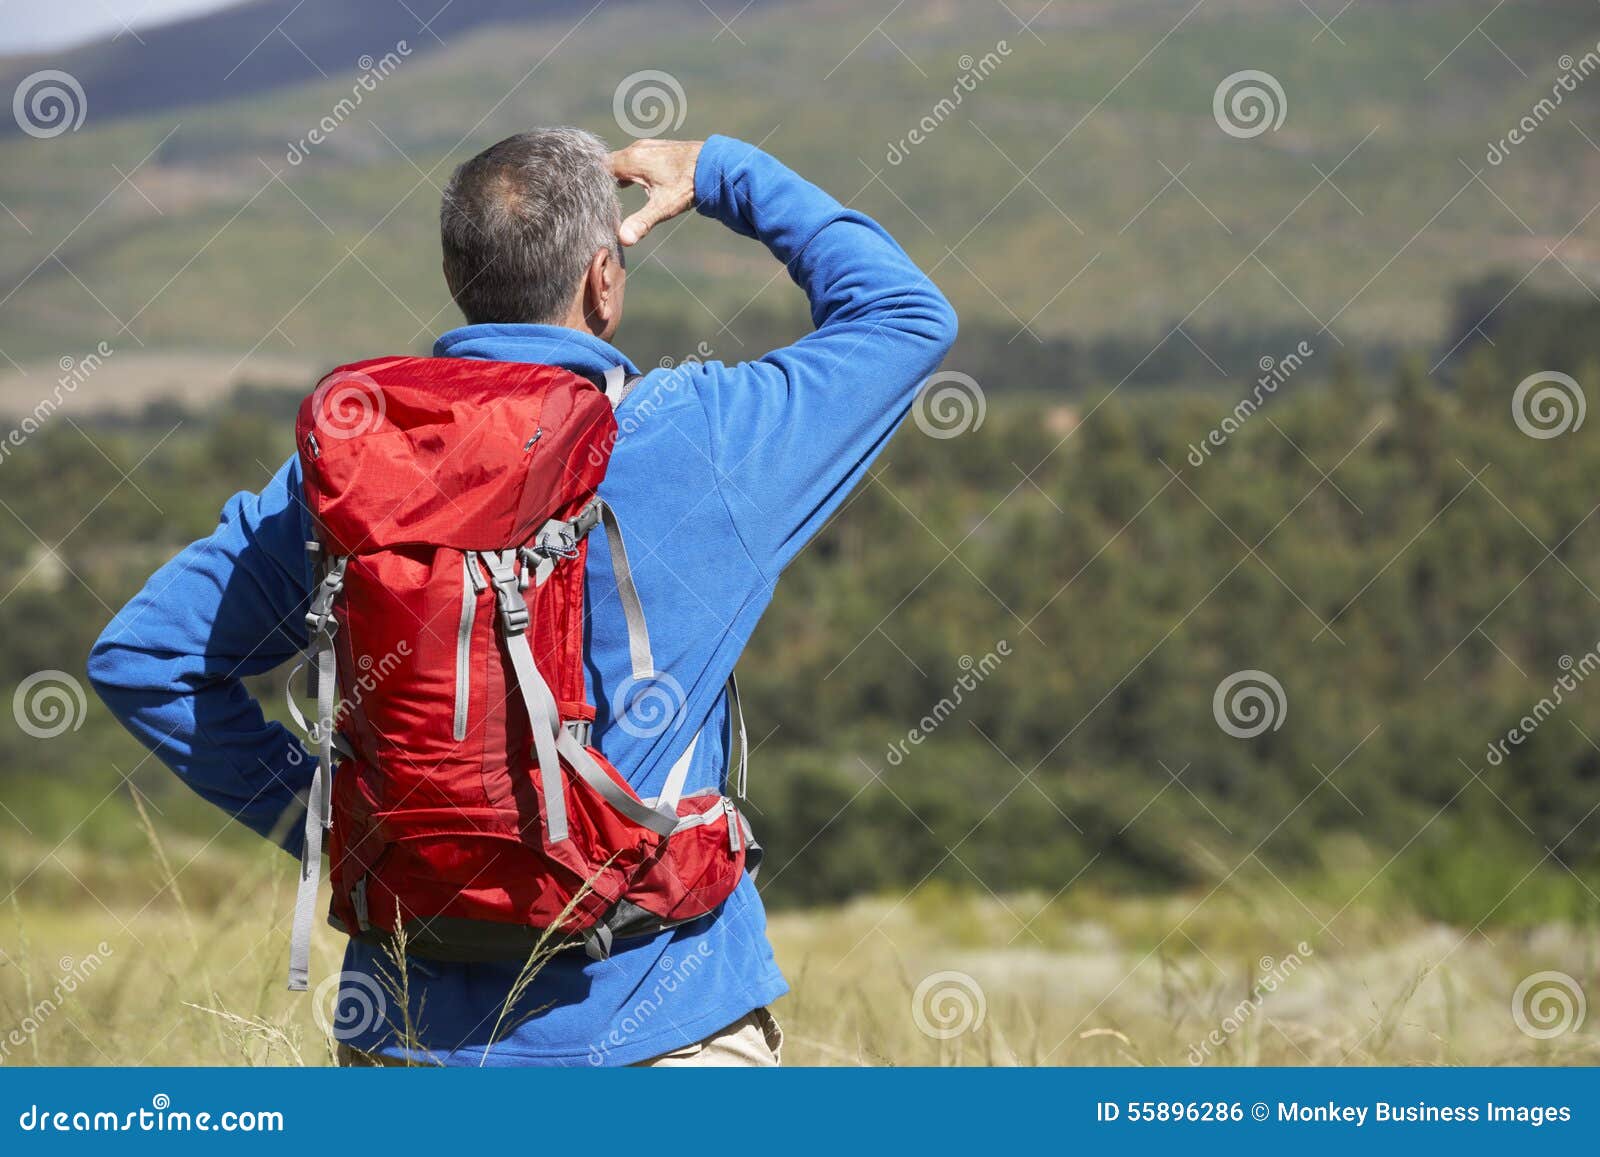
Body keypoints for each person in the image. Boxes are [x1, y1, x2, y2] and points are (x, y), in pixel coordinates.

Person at [88, 128, 958, 1066]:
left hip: (409, 1042)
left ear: (463, 276)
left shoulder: (348, 470)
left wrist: (334, 825)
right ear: (603, 280)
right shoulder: (704, 437)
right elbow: (907, 317)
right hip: (663, 1028)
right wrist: (721, 173)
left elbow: (145, 660)